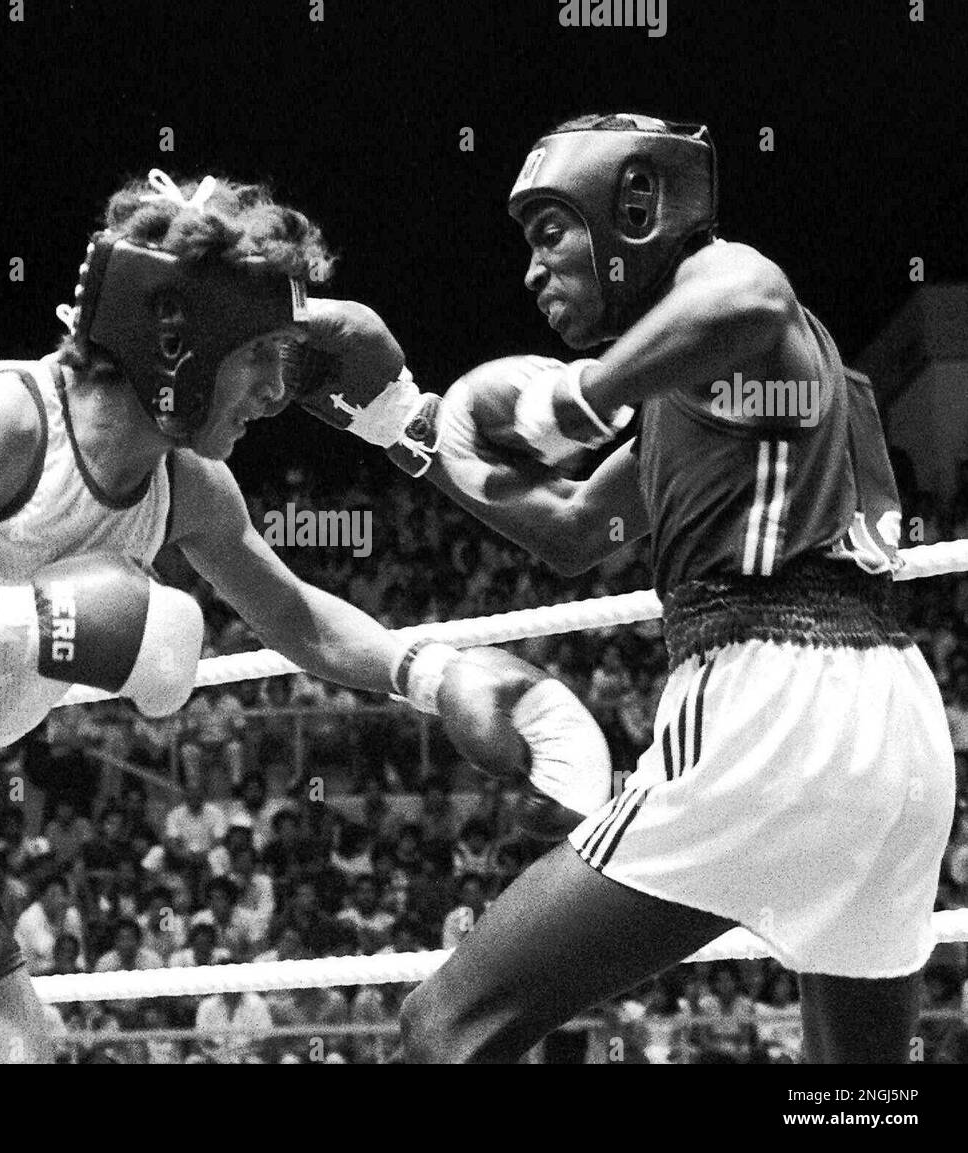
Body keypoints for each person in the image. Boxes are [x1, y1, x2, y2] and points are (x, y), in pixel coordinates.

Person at [0, 168, 511, 1063]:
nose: (278, 389)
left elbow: (296, 615)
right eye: (261, 352)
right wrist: (26, 625)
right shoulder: (0, 417)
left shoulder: (188, 486)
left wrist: (431, 671)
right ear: (182, 344)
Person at [293, 114, 956, 1063]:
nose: (532, 269)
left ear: (638, 205)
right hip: (897, 728)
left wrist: (571, 399)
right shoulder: (703, 387)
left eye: (550, 232)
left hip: (771, 707)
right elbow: (568, 531)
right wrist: (399, 419)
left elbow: (751, 295)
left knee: (445, 1024)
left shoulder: (732, 291)